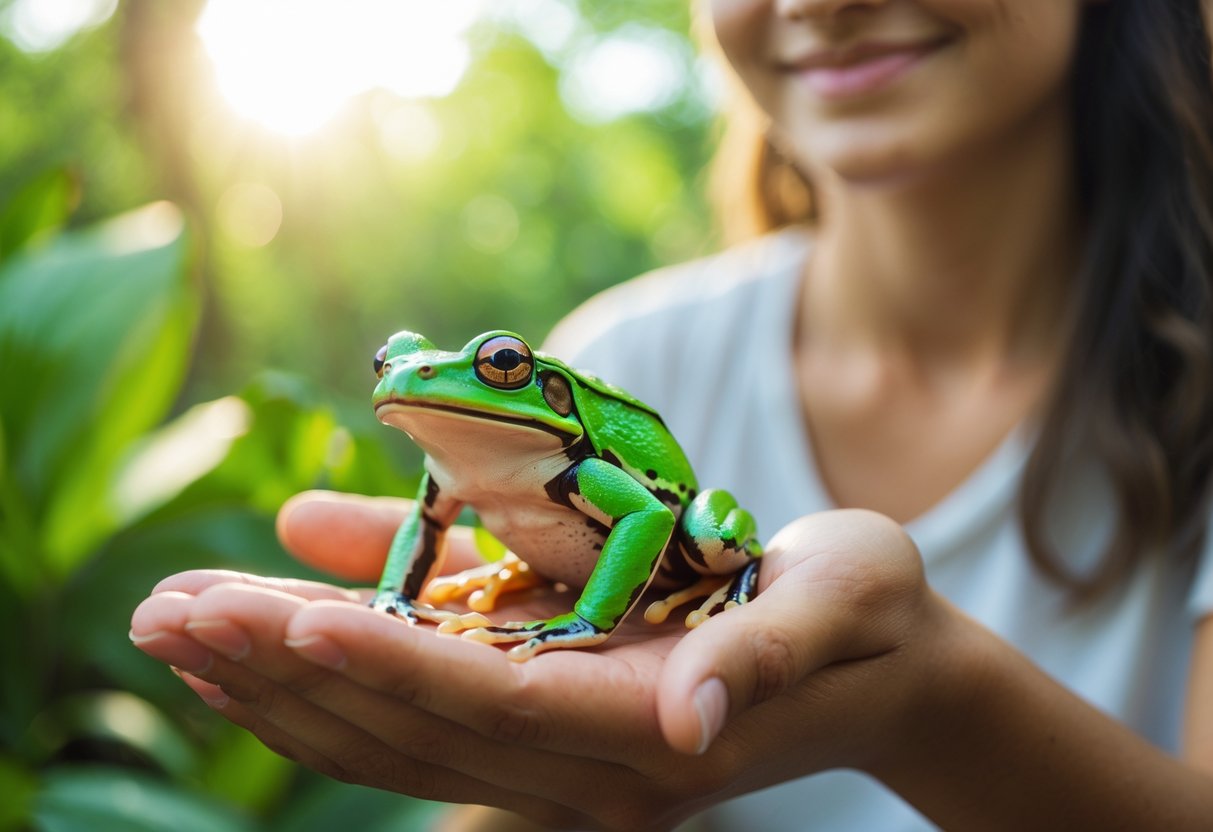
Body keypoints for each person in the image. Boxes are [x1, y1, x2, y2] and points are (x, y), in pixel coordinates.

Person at [130, 0, 1213, 829]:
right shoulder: (626, 348)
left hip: (682, 537)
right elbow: (443, 552)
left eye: (498, 366)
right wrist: (513, 748)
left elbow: (647, 516)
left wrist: (923, 701)